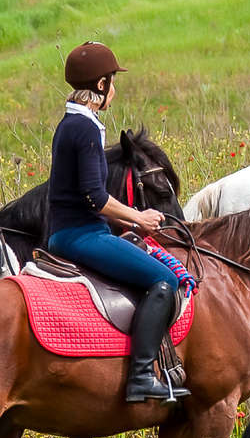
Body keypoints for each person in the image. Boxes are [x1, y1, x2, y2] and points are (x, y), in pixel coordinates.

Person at [46, 41, 186, 403]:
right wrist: (139, 217)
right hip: (80, 234)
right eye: (112, 81)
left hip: (69, 230)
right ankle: (141, 376)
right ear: (101, 86)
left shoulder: (72, 123)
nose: (115, 89)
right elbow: (95, 197)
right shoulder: (85, 128)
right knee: (164, 278)